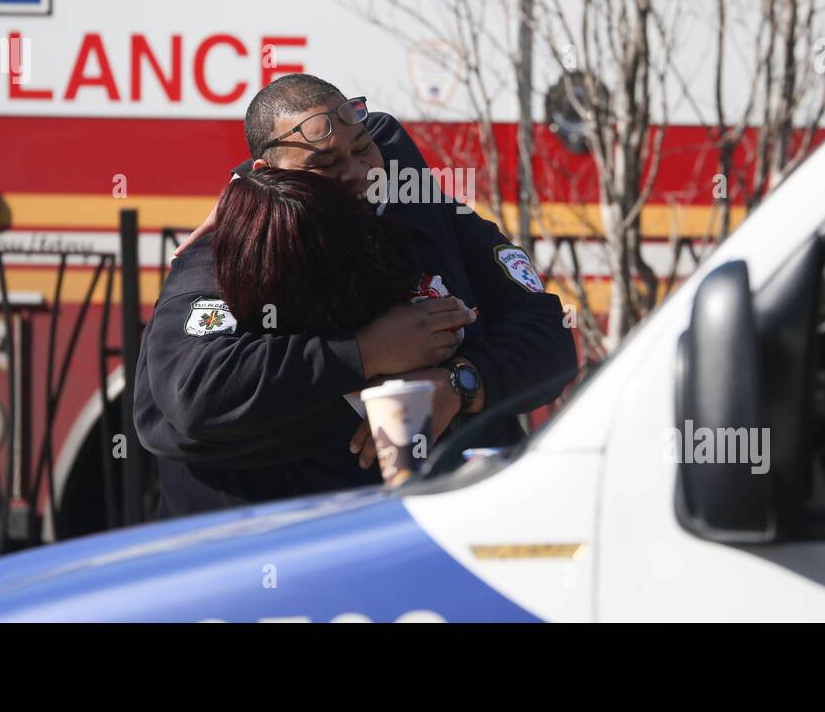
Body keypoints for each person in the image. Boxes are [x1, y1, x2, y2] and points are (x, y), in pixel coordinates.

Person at [134, 74, 578, 516]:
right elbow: (190, 398)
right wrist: (364, 355)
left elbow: (549, 339)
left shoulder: (430, 215)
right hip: (278, 549)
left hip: (453, 528)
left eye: (362, 149)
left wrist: (457, 384)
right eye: (325, 166)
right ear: (267, 176)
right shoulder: (232, 252)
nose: (356, 173)